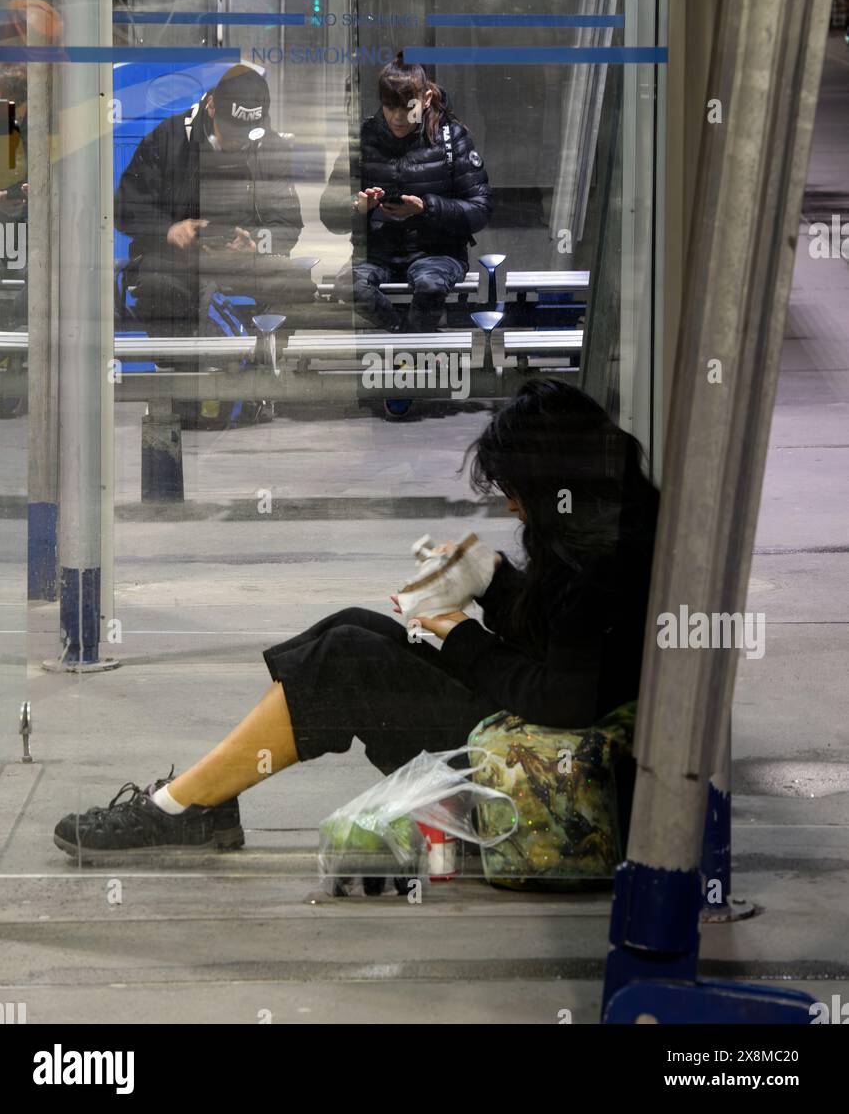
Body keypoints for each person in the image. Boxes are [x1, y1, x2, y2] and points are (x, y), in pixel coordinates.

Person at [52, 379, 659, 862]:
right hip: (551, 731)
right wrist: (497, 581)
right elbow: (564, 646)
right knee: (350, 627)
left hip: (545, 764)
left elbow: (562, 697)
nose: (508, 502)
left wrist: (457, 631)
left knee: (345, 659)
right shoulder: (607, 525)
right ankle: (200, 798)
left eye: (515, 489)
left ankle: (183, 808)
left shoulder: (600, 560)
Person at [115, 63, 309, 336]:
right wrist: (169, 231)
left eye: (248, 135)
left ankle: (257, 357)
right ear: (211, 106)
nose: (238, 144)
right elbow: (125, 207)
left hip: (242, 262)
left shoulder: (269, 146)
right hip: (177, 263)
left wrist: (255, 242)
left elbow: (288, 223)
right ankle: (194, 359)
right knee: (160, 288)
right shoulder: (168, 139)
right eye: (230, 133)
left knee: (297, 283)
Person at [320, 52, 491, 333]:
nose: (398, 117)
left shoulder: (451, 138)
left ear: (425, 100)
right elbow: (328, 212)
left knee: (430, 285)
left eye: (408, 107)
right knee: (351, 287)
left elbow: (481, 209)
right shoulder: (363, 138)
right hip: (377, 254)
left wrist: (427, 208)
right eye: (390, 107)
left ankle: (409, 342)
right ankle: (405, 335)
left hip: (437, 252)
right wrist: (358, 206)